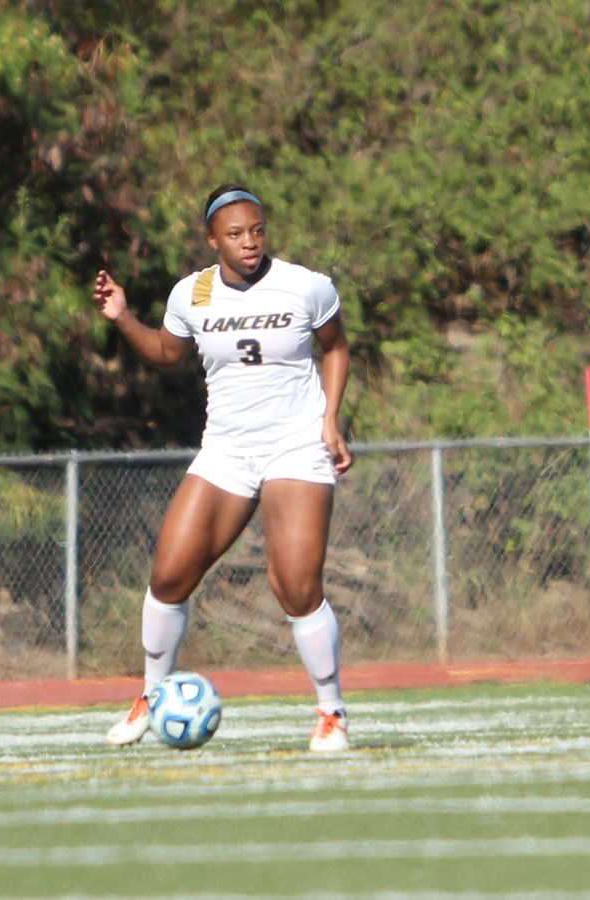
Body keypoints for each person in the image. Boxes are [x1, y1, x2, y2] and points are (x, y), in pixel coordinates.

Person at [92, 184, 355, 752]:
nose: (249, 242)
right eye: (235, 234)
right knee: (169, 576)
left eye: (257, 230)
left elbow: (335, 349)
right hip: (227, 451)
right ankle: (151, 697)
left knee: (295, 587)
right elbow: (166, 353)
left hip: (295, 446)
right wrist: (122, 317)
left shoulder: (306, 285)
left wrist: (331, 420)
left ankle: (332, 711)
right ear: (212, 240)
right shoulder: (193, 294)